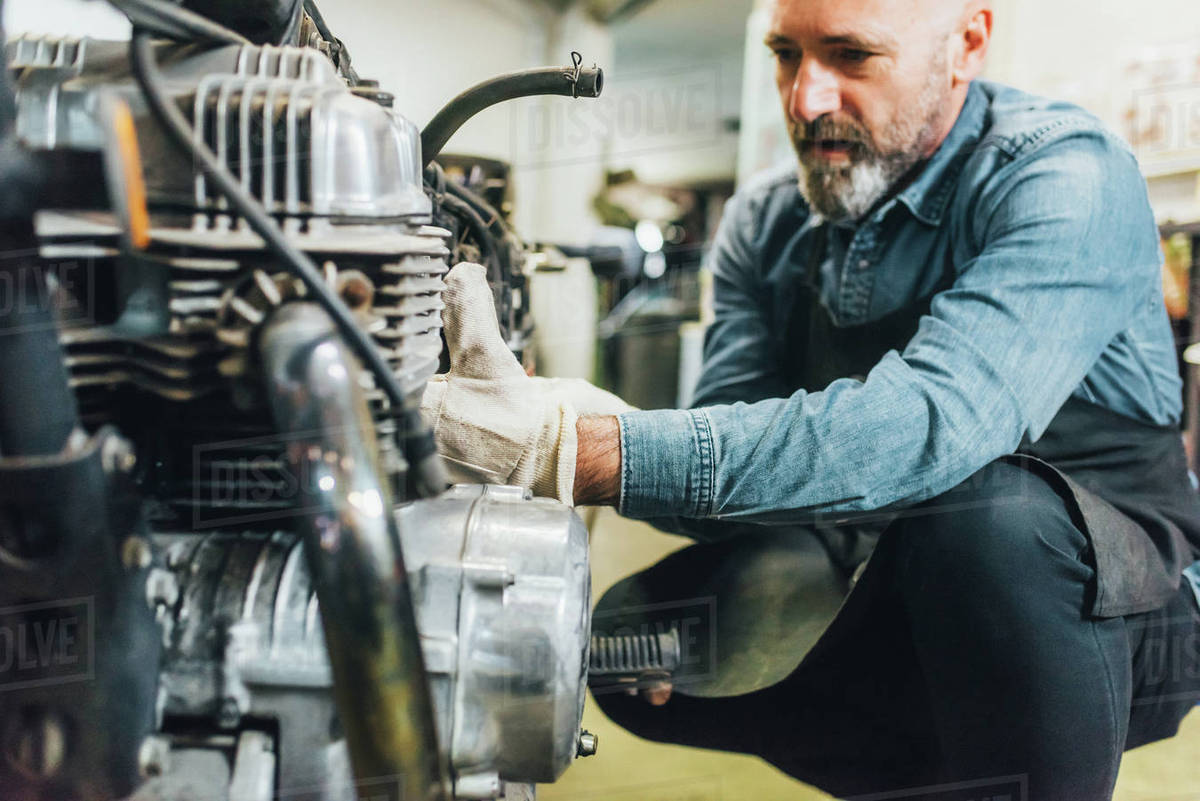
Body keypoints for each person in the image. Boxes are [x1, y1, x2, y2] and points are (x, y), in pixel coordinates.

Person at [420, 0, 1200, 797]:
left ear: (967, 45)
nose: (804, 99)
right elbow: (720, 487)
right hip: (877, 568)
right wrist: (601, 419)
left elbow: (937, 421)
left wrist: (582, 451)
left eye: (851, 56)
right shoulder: (765, 221)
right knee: (639, 647)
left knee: (991, 526)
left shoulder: (1064, 172)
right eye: (786, 55)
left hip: (1123, 596)